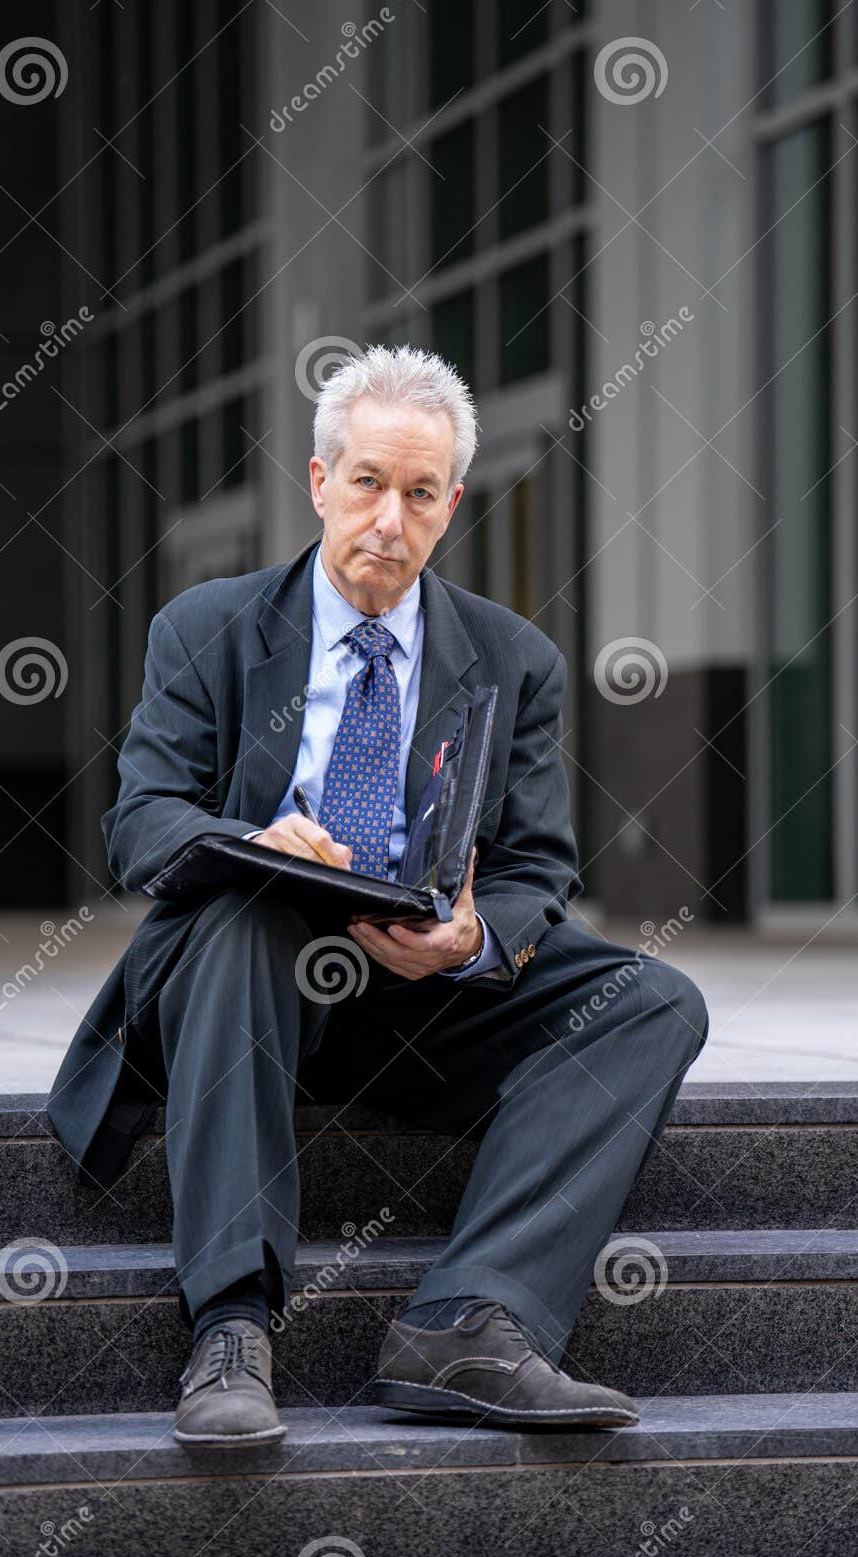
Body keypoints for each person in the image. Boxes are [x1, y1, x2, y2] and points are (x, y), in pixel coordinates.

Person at [47, 345, 709, 1445]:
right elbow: (142, 824)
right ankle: (231, 1327)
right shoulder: (208, 630)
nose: (387, 521)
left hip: (415, 987)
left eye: (417, 494)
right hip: (238, 989)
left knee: (653, 999)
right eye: (365, 484)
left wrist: (470, 937)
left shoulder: (513, 660)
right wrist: (252, 841)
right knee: (250, 913)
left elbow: (538, 864)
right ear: (318, 484)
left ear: (450, 505)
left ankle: (469, 1322)